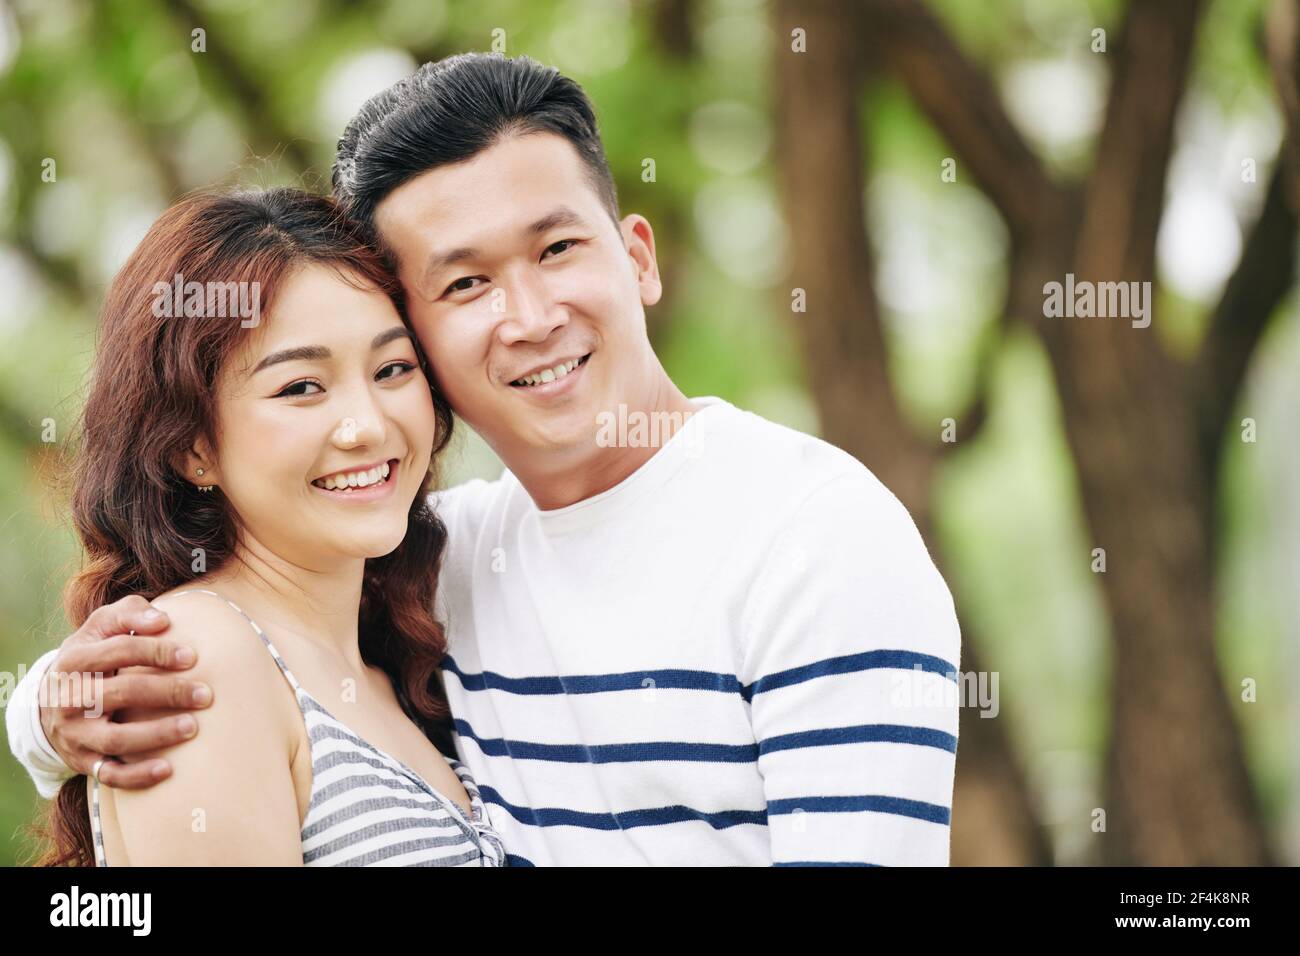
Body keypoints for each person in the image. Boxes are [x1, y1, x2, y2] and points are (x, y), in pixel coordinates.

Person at [10, 53, 961, 866]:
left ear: (637, 257)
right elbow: (238, 657)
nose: (529, 317)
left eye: (556, 249)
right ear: (420, 329)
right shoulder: (436, 561)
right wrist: (59, 709)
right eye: (464, 282)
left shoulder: (815, 539)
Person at [23, 187, 505, 866]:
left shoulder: (393, 650)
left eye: (393, 369)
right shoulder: (200, 659)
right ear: (193, 447)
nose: (367, 425)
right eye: (301, 387)